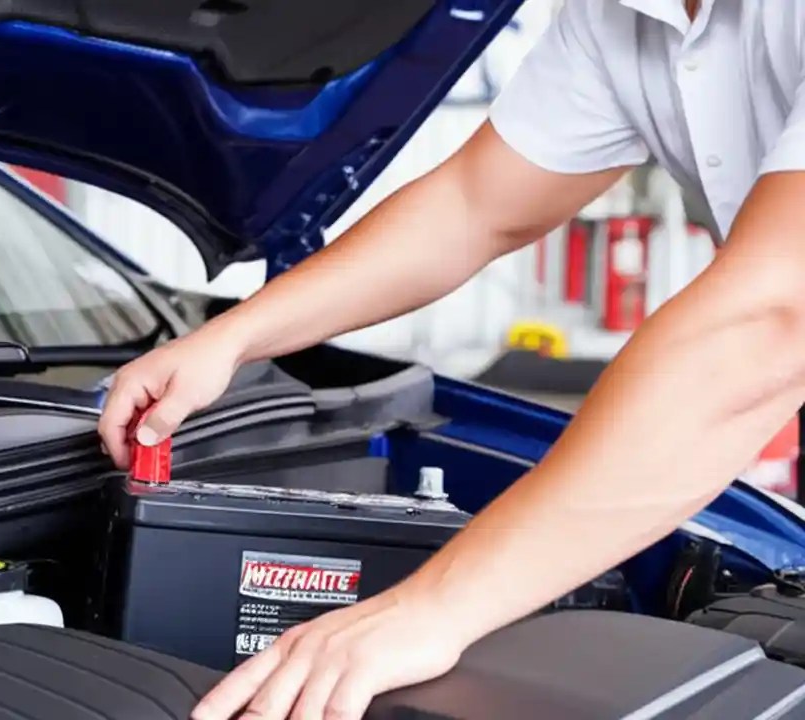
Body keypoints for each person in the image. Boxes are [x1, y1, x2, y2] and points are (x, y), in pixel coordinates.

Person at [97, 0, 805, 718]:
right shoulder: (619, 14)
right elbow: (475, 205)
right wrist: (234, 339)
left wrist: (432, 609)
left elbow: (774, 320)